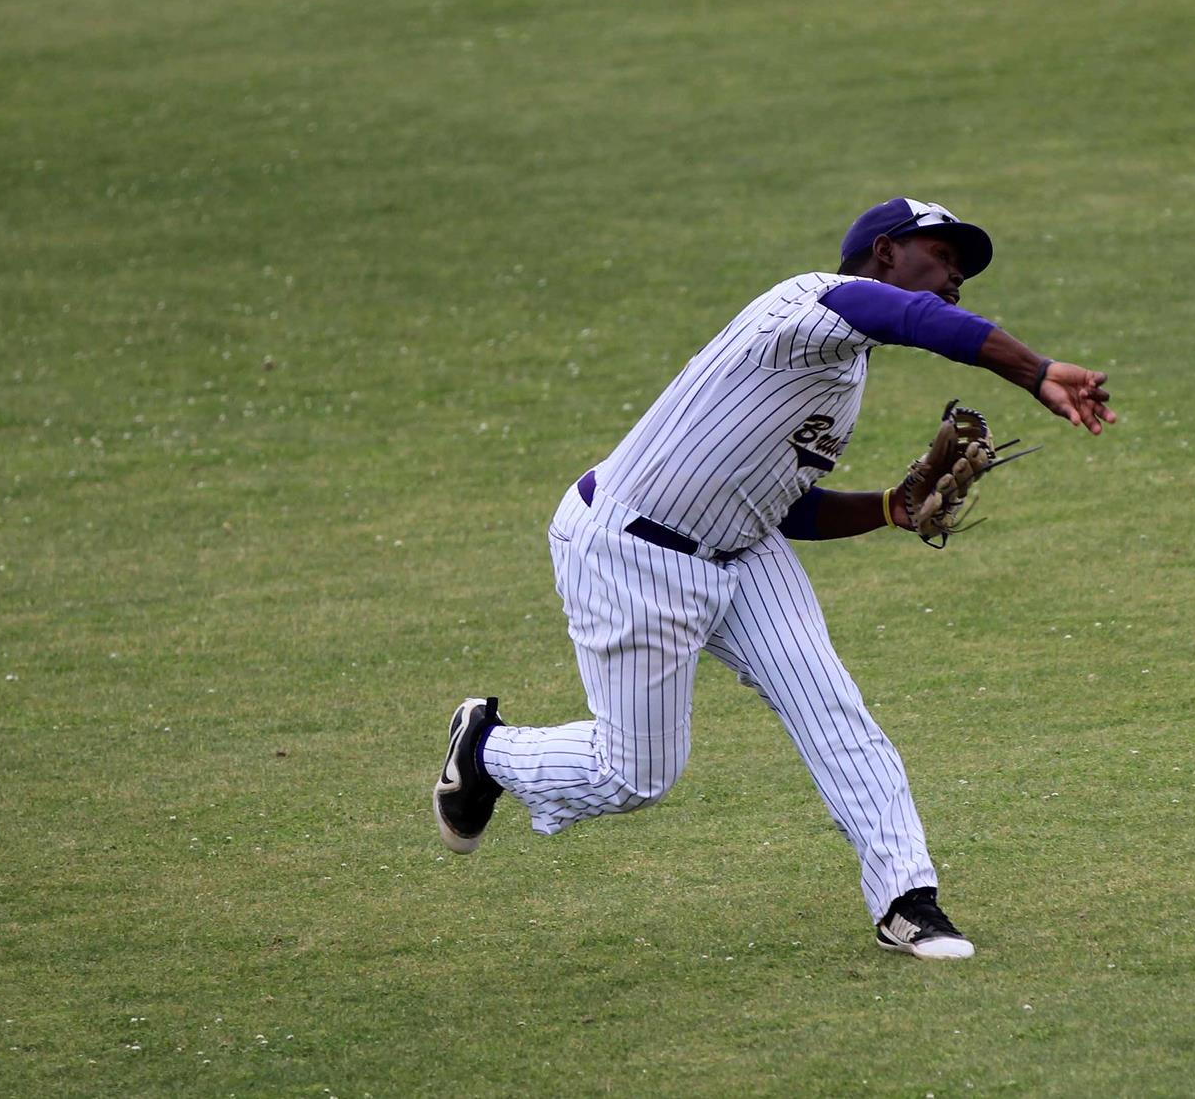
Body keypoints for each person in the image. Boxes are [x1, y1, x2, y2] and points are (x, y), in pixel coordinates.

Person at [433, 197, 1115, 959]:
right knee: (636, 775)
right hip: (631, 553)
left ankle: (908, 901)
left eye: (963, 264)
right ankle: (486, 748)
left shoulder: (845, 374)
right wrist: (1038, 371)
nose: (957, 273)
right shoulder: (810, 303)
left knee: (835, 711)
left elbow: (782, 507)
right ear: (885, 254)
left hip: (747, 551)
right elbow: (915, 322)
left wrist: (890, 507)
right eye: (943, 253)